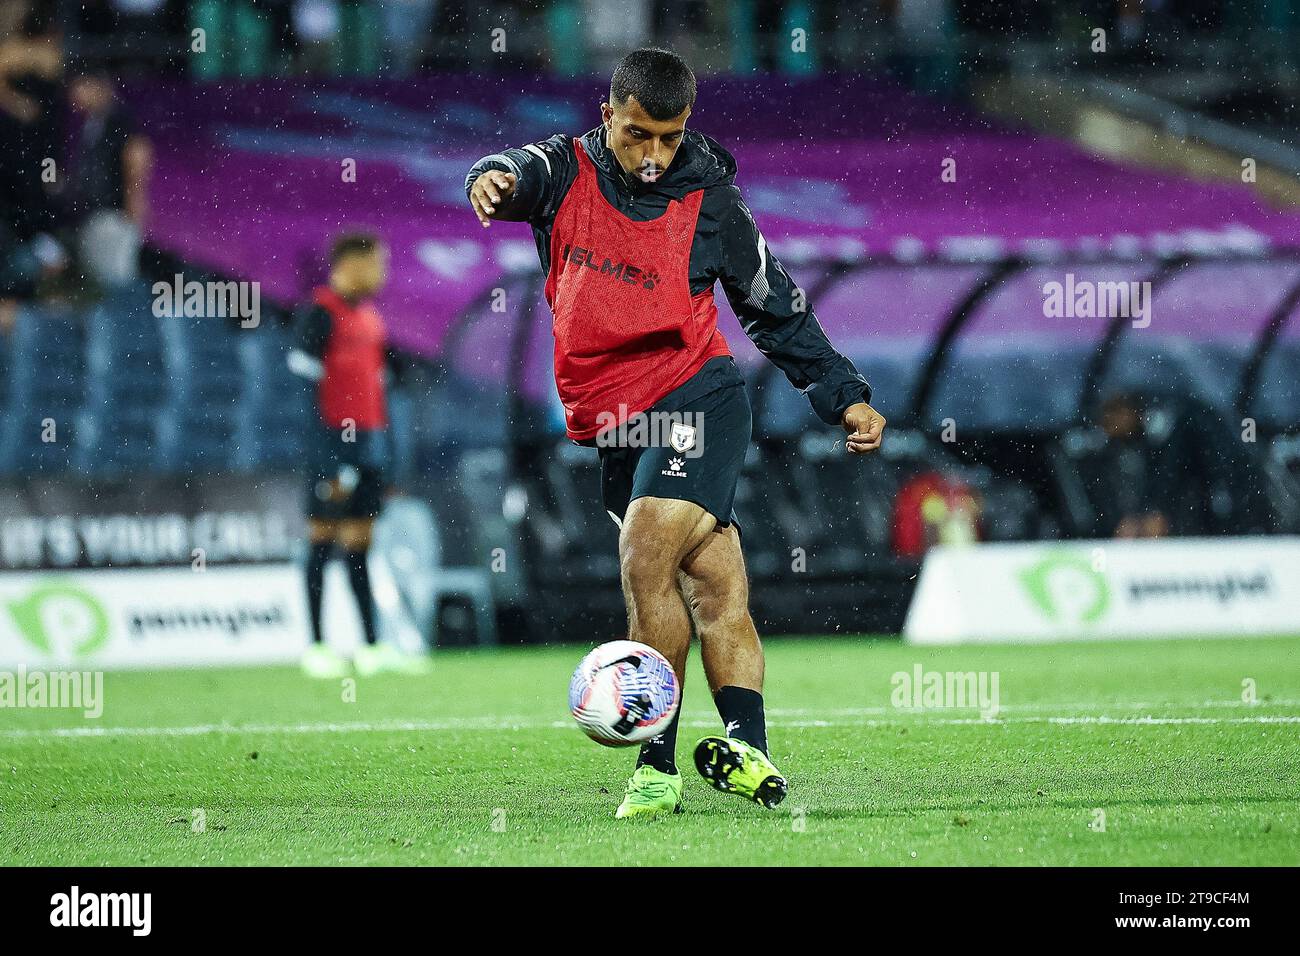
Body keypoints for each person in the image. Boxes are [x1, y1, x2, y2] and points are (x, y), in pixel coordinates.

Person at [464, 48, 885, 818]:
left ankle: (654, 765)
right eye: (637, 135)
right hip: (615, 419)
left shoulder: (709, 196)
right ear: (607, 115)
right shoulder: (563, 171)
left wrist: (843, 394)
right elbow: (506, 167)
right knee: (713, 585)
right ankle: (749, 749)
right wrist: (488, 180)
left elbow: (773, 304)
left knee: (645, 547)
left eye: (669, 136)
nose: (655, 155)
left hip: (697, 395)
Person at [288, 232, 429, 678]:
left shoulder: (370, 317)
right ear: (349, 264)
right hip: (332, 447)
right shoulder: (320, 313)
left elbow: (379, 388)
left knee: (359, 546)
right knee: (321, 540)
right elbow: (303, 388)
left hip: (370, 446)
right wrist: (325, 455)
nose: (382, 274)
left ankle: (369, 647)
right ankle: (316, 647)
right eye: (376, 264)